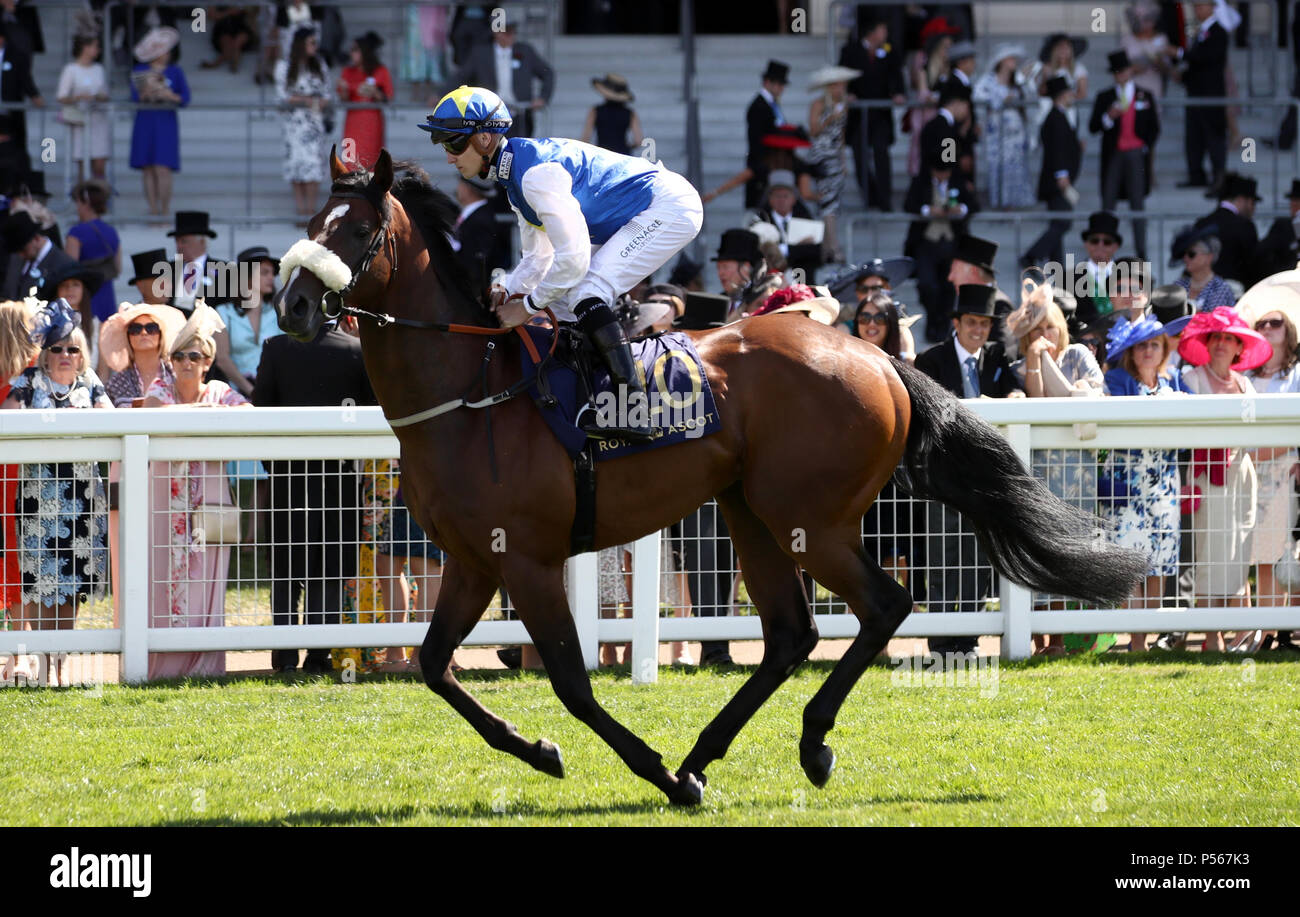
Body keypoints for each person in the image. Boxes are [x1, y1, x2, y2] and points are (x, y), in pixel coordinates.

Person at [423, 84, 703, 441]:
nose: (448, 156)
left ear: (485, 139)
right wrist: (505, 287)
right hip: (647, 208)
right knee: (564, 300)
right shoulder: (515, 178)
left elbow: (572, 260)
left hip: (670, 207)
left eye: (454, 143)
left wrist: (525, 307)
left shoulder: (533, 176)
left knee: (586, 290)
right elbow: (539, 259)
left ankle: (634, 407)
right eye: (443, 145)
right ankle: (586, 394)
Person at [254, 319, 377, 674]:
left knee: (286, 567)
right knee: (331, 567)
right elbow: (369, 410)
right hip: (340, 476)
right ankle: (318, 656)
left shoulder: (276, 347)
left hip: (288, 474)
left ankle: (284, 655)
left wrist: (274, 466)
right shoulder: (355, 349)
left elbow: (262, 406)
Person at [1, 299, 111, 686]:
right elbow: (6, 420)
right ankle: (40, 664)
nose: (65, 355)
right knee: (39, 582)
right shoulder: (28, 382)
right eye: (57, 348)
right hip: (37, 497)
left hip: (82, 499)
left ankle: (61, 667)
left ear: (83, 355)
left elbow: (112, 421)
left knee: (70, 585)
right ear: (45, 354)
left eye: (73, 348)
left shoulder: (92, 383)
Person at [140, 303, 250, 679]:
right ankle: (165, 665)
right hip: (165, 506)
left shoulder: (220, 392)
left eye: (196, 355)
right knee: (163, 575)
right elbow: (153, 417)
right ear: (170, 360)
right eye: (180, 354)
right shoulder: (160, 388)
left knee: (210, 578)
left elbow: (251, 418)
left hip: (214, 504)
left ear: (208, 362)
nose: (187, 361)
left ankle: (205, 666)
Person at [914, 284, 1023, 656]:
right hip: (943, 474)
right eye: (972, 322)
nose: (978, 330)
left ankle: (970, 639)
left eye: (984, 323)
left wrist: (1013, 397)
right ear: (957, 322)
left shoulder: (997, 357)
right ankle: (943, 642)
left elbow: (1016, 391)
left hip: (984, 475)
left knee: (978, 557)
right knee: (943, 555)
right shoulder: (932, 360)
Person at [1006, 279, 1105, 654]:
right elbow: (1035, 399)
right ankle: (1039, 637)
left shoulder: (1079, 354)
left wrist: (1047, 360)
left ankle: (1065, 636)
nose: (1045, 333)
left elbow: (1076, 398)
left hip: (1077, 473)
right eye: (1037, 328)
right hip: (1038, 473)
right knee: (1038, 548)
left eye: (1050, 325)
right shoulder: (1017, 366)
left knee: (1072, 549)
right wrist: (1035, 359)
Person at [1176, 307, 1270, 652]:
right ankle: (1211, 635)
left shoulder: (1246, 384)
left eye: (1228, 337)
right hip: (1205, 469)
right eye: (1215, 336)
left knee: (1238, 548)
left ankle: (1240, 631)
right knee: (1209, 548)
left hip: (1241, 472)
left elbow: (1258, 431)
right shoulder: (1191, 379)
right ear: (1207, 342)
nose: (1221, 343)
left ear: (1238, 347)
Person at [1102, 314, 1192, 651]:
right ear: (1132, 351)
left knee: (1161, 559)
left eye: (1155, 344)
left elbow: (1188, 432)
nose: (1149, 350)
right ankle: (1133, 637)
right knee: (1130, 559)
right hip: (1127, 481)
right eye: (1142, 345)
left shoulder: (1176, 381)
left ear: (1165, 349)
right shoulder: (1119, 380)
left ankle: (1146, 636)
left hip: (1164, 484)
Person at [1239, 297, 1300, 650]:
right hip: (1248, 469)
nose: (1266, 328)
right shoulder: (1246, 376)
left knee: (1281, 551)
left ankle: (1282, 629)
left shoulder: (1296, 374)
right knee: (1257, 553)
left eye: (1274, 322)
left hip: (1284, 468)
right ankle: (1262, 629)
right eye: (1261, 324)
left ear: (1288, 330)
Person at [1090, 51, 1159, 260]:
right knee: (1108, 203)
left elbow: (1154, 126)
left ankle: (1141, 251)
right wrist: (1108, 117)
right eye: (1117, 72)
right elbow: (1093, 127)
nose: (1121, 75)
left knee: (1137, 204)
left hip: (1136, 153)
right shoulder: (1105, 97)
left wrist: (1144, 147)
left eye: (1124, 70)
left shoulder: (1145, 95)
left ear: (1130, 70)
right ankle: (1103, 251)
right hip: (1114, 154)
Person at [0, 298, 36, 676]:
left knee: (13, 562)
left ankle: (18, 654)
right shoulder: (28, 377)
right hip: (18, 481)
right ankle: (19, 655)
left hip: (13, 482)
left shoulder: (26, 377)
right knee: (16, 561)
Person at [904, 148, 974, 340]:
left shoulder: (958, 181)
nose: (943, 176)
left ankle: (943, 325)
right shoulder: (921, 182)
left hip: (952, 243)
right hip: (927, 243)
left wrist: (960, 209)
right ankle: (933, 318)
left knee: (949, 288)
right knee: (927, 285)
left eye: (946, 172)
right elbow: (909, 204)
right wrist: (928, 210)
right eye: (939, 172)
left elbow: (973, 204)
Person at [838, 14, 902, 210]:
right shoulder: (851, 51)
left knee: (882, 153)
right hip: (859, 115)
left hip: (880, 114)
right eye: (882, 30)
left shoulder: (889, 51)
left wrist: (898, 92)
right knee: (859, 156)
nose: (885, 34)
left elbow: (896, 76)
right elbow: (841, 76)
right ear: (872, 32)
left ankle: (885, 199)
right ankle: (870, 197)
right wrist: (846, 94)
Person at [451, 21, 553, 138]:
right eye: (506, 32)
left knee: (520, 151)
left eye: (512, 32)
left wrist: (543, 97)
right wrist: (442, 96)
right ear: (496, 33)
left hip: (520, 115)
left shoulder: (525, 51)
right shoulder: (481, 53)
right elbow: (461, 76)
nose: (510, 36)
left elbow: (547, 73)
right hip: (490, 116)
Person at [1022, 76, 1081, 271]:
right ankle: (1032, 254)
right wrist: (1061, 175)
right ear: (1062, 95)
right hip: (1057, 181)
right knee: (1063, 222)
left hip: (1058, 179)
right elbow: (1057, 150)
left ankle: (1057, 266)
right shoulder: (1055, 118)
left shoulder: (1059, 116)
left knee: (1059, 222)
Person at [129, 27, 188, 218]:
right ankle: (152, 210)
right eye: (163, 50)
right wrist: (148, 92)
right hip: (145, 120)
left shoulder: (175, 71)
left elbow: (185, 97)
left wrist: (169, 95)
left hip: (165, 121)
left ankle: (164, 211)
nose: (167, 54)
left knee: (163, 168)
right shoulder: (140, 70)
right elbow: (134, 96)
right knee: (147, 168)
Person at [1172, 1, 1230, 189]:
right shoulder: (1199, 32)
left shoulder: (1218, 31)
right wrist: (1184, 76)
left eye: (1201, 5)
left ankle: (1219, 180)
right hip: (1195, 94)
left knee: (1214, 138)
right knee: (1194, 137)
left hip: (1211, 96)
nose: (1197, 9)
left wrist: (1179, 53)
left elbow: (1206, 58)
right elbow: (1197, 64)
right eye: (1195, 6)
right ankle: (1196, 175)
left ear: (1212, 7)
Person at [276, 27, 331, 219]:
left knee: (314, 165)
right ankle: (300, 211)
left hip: (314, 123)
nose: (315, 47)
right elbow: (283, 96)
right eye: (311, 42)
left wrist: (316, 102)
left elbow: (326, 93)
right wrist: (307, 100)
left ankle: (310, 210)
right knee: (296, 165)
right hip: (293, 123)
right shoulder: (284, 66)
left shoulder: (319, 64)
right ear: (301, 44)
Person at [973, 43, 1034, 209]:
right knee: (998, 167)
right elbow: (979, 97)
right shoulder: (988, 81)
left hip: (1016, 134)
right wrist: (1001, 100)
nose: (1014, 61)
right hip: (997, 133)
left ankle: (1014, 203)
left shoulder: (1017, 82)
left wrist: (1024, 81)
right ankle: (1001, 203)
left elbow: (1029, 98)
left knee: (1015, 168)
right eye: (1010, 58)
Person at [806, 65, 859, 258]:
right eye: (836, 86)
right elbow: (813, 131)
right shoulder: (818, 105)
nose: (840, 89)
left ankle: (827, 247)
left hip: (835, 156)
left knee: (832, 203)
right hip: (822, 155)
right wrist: (829, 120)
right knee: (826, 201)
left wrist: (843, 160)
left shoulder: (843, 106)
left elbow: (842, 135)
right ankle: (833, 247)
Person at [213, 246, 279, 399]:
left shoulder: (278, 312)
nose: (271, 278)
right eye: (264, 273)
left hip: (273, 393)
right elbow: (222, 359)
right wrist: (251, 391)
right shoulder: (223, 312)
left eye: (272, 273)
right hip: (234, 395)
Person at [64, 180, 121, 344]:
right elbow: (117, 267)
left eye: (78, 203)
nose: (77, 207)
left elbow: (69, 268)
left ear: (86, 203)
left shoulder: (76, 232)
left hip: (86, 295)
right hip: (107, 293)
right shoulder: (111, 232)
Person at [1191, 173, 1262, 289]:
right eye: (1252, 203)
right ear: (1241, 199)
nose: (1253, 209)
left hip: (1203, 293)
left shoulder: (1201, 223)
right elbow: (1253, 266)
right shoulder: (1245, 226)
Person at [56, 32, 109, 183]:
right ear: (84, 47)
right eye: (94, 46)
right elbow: (62, 96)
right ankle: (84, 200)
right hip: (80, 121)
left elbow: (105, 93)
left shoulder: (99, 69)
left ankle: (99, 200)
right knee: (83, 165)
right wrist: (78, 97)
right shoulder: (71, 69)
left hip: (98, 119)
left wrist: (98, 97)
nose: (97, 50)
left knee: (99, 165)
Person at [752, 169, 823, 283]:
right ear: (770, 198)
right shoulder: (761, 219)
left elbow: (816, 252)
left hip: (802, 278)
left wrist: (781, 249)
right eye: (777, 196)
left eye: (785, 196)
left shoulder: (805, 218)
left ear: (794, 198)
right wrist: (793, 248)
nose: (781, 200)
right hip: (771, 281)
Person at [336, 31, 393, 169]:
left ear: (365, 51)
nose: (352, 53)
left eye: (355, 50)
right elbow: (343, 98)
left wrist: (374, 92)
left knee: (371, 160)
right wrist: (343, 88)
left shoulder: (380, 71)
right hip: (353, 120)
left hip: (371, 120)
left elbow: (387, 97)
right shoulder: (347, 72)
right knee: (350, 158)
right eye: (351, 50)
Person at [740, 59, 790, 209]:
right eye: (779, 84)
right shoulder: (759, 106)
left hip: (775, 162)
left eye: (782, 85)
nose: (781, 89)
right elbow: (758, 139)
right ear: (767, 82)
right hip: (763, 164)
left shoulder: (772, 104)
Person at [452, 175, 509, 298]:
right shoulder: (473, 214)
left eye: (460, 184)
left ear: (468, 188)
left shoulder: (481, 219)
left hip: (473, 293)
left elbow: (479, 263)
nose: (458, 189)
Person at [0, 17, 43, 175]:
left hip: (11, 110)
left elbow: (24, 78)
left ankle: (20, 181)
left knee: (16, 147)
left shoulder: (16, 56)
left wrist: (35, 95)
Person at [169, 210, 233, 313]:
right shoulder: (168, 270)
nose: (178, 246)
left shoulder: (225, 271)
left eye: (184, 241)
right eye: (176, 241)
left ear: (202, 242)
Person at [2, 211, 74, 301]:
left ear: (36, 238)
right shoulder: (17, 260)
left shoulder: (63, 264)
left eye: (23, 250)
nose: (21, 255)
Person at [713, 228, 782, 321]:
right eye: (718, 268)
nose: (720, 273)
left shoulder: (763, 299)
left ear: (745, 268)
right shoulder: (717, 303)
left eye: (725, 267)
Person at [36, 262, 102, 353]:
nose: (69, 289)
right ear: (57, 291)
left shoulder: (97, 326)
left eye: (75, 284)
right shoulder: (44, 325)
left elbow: (103, 367)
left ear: (84, 290)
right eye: (64, 285)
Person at [1073, 212, 1124, 324]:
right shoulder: (1067, 279)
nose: (1100, 245)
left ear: (1115, 246)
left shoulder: (1129, 277)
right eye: (1094, 240)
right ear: (1086, 244)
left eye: (1107, 242)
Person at [1171, 226, 1236, 311]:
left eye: (1191, 254)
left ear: (1209, 257)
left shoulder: (1220, 288)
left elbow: (1215, 320)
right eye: (1184, 254)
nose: (1185, 258)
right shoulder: (1179, 285)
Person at [582, 73, 642, 156]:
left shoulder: (595, 111)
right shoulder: (631, 114)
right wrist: (628, 147)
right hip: (623, 156)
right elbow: (638, 141)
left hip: (602, 156)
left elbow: (585, 139)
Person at [1258, 179, 1300, 277]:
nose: (1294, 205)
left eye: (1297, 201)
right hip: (1285, 280)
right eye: (1293, 201)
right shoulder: (1282, 227)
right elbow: (1263, 252)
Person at [201, 5, 254, 73]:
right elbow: (212, 16)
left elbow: (253, 14)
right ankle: (231, 63)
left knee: (238, 41)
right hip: (223, 28)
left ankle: (224, 63)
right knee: (227, 40)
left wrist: (244, 11)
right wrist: (229, 12)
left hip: (241, 27)